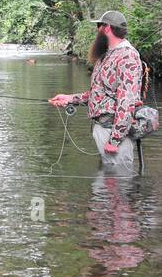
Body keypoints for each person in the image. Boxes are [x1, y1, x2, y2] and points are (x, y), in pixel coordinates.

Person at [48, 10, 144, 172]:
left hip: (113, 133)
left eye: (98, 26)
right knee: (109, 187)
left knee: (120, 185)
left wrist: (114, 140)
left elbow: (126, 102)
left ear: (106, 28)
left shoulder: (127, 56)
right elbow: (99, 93)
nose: (96, 30)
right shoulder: (107, 55)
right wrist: (70, 98)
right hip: (103, 129)